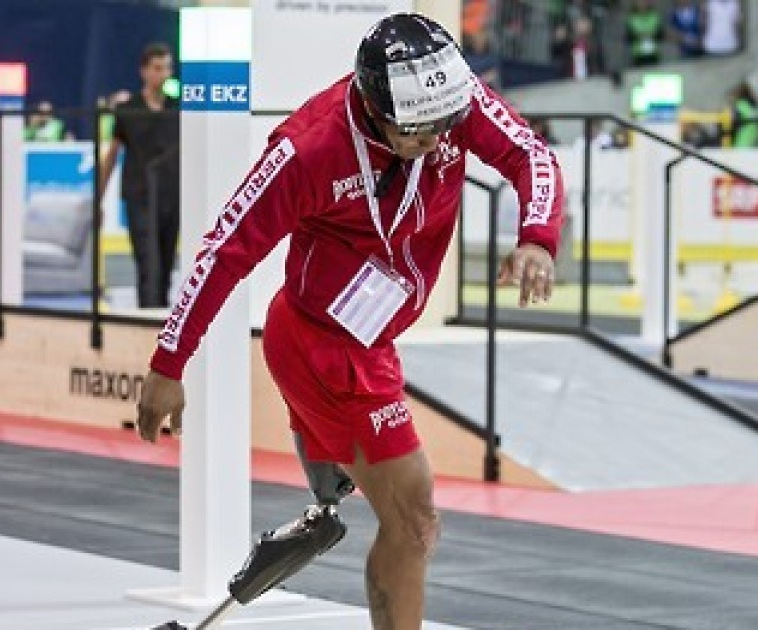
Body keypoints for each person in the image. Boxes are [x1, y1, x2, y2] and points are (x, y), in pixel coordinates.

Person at [135, 14, 563, 629]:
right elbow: (225, 252)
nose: (436, 140)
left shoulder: (447, 97)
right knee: (414, 517)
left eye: (445, 125)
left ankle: (325, 478)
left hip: (372, 336)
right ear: (374, 106)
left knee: (393, 515)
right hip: (321, 346)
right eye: (416, 130)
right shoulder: (307, 148)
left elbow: (530, 153)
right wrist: (168, 364)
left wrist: (537, 237)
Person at [99, 43, 180, 309]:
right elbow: (112, 155)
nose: (163, 74)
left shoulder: (179, 109)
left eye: (167, 68)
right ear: (144, 71)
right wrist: (98, 197)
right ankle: (146, 319)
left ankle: (163, 320)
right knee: (147, 263)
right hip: (139, 196)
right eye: (157, 68)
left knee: (167, 265)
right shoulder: (128, 110)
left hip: (172, 196)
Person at [626, 0, 665, 67]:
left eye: (644, 1)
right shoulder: (631, 18)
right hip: (638, 54)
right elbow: (628, 37)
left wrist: (652, 35)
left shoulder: (655, 16)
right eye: (640, 2)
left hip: (654, 52)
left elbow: (660, 34)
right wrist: (639, 36)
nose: (642, 4)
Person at [728, 82, 758, 148]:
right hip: (756, 136)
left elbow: (732, 119)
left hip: (745, 138)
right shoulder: (754, 105)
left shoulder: (741, 104)